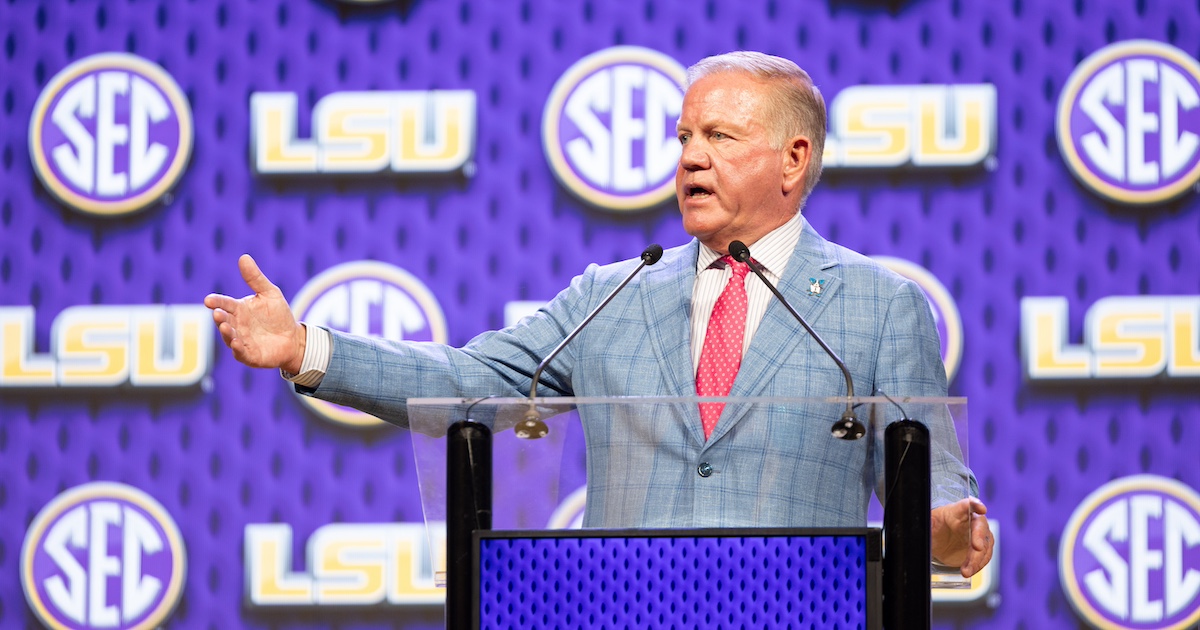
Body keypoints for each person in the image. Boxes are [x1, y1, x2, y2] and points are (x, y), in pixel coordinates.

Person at [206, 51, 994, 577]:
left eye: (720, 136)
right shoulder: (613, 295)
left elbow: (934, 483)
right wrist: (306, 348)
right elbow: (472, 382)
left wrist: (948, 531)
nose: (690, 157)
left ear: (794, 158)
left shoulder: (879, 307)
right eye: (685, 136)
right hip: (624, 610)